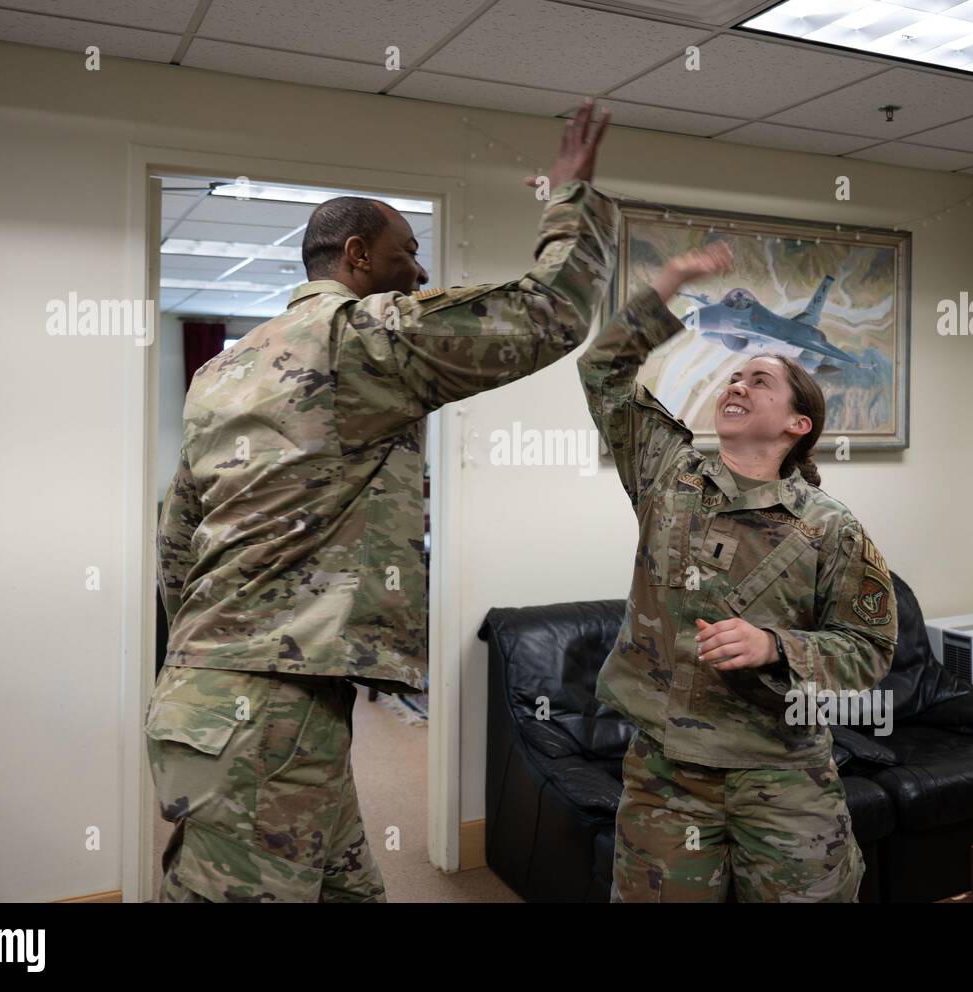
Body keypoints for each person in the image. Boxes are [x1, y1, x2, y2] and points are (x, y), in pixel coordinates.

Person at [148, 100, 614, 902]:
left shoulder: (222, 370)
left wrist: (213, 640)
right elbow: (549, 312)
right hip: (263, 713)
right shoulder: (357, 338)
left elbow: (176, 536)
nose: (422, 273)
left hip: (244, 698)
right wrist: (570, 196)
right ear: (358, 257)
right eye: (409, 254)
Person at [578, 241, 898, 902]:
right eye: (733, 377)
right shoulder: (667, 476)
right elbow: (604, 369)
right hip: (667, 771)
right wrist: (669, 280)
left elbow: (868, 651)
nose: (736, 384)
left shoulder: (832, 528)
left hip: (783, 772)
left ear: (796, 423)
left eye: (760, 381)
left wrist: (775, 646)